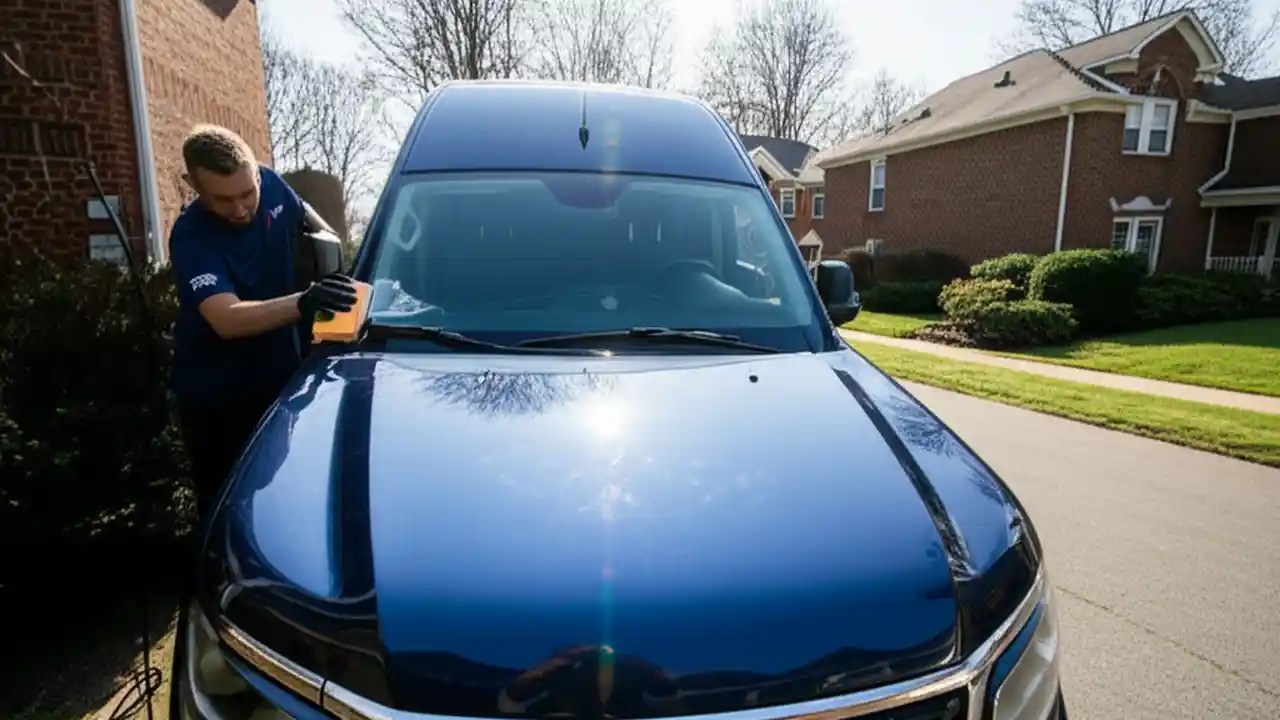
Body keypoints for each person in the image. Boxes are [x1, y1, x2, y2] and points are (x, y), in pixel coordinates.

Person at [169, 123, 356, 517]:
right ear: (193, 184)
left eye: (247, 193)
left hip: (282, 383)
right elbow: (227, 319)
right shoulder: (192, 238)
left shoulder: (272, 185)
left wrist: (330, 272)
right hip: (219, 402)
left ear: (257, 172)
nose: (240, 209)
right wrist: (304, 302)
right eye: (222, 199)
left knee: (285, 501)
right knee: (231, 512)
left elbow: (323, 235)